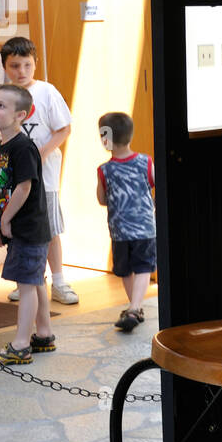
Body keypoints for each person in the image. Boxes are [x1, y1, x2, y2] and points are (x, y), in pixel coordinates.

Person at [0, 37, 78, 304]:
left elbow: (64, 129)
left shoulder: (47, 92)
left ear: (35, 64)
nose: (21, 71)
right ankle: (27, 279)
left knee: (49, 229)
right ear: (4, 67)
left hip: (43, 179)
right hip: (11, 180)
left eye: (27, 64)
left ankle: (59, 281)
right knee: (15, 226)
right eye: (14, 65)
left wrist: (40, 156)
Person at [0, 84, 55, 364]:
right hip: (15, 225)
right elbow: (2, 189)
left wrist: (6, 220)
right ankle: (45, 334)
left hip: (28, 228)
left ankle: (21, 345)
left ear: (20, 115)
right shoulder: (2, 146)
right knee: (34, 281)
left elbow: (24, 188)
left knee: (26, 286)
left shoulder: (23, 147)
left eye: (2, 106)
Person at [96, 112, 155, 333]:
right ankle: (134, 308)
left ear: (105, 139)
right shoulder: (146, 161)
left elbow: (102, 199)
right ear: (130, 135)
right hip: (145, 228)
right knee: (143, 267)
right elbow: (157, 184)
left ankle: (134, 307)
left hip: (119, 231)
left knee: (125, 270)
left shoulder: (104, 170)